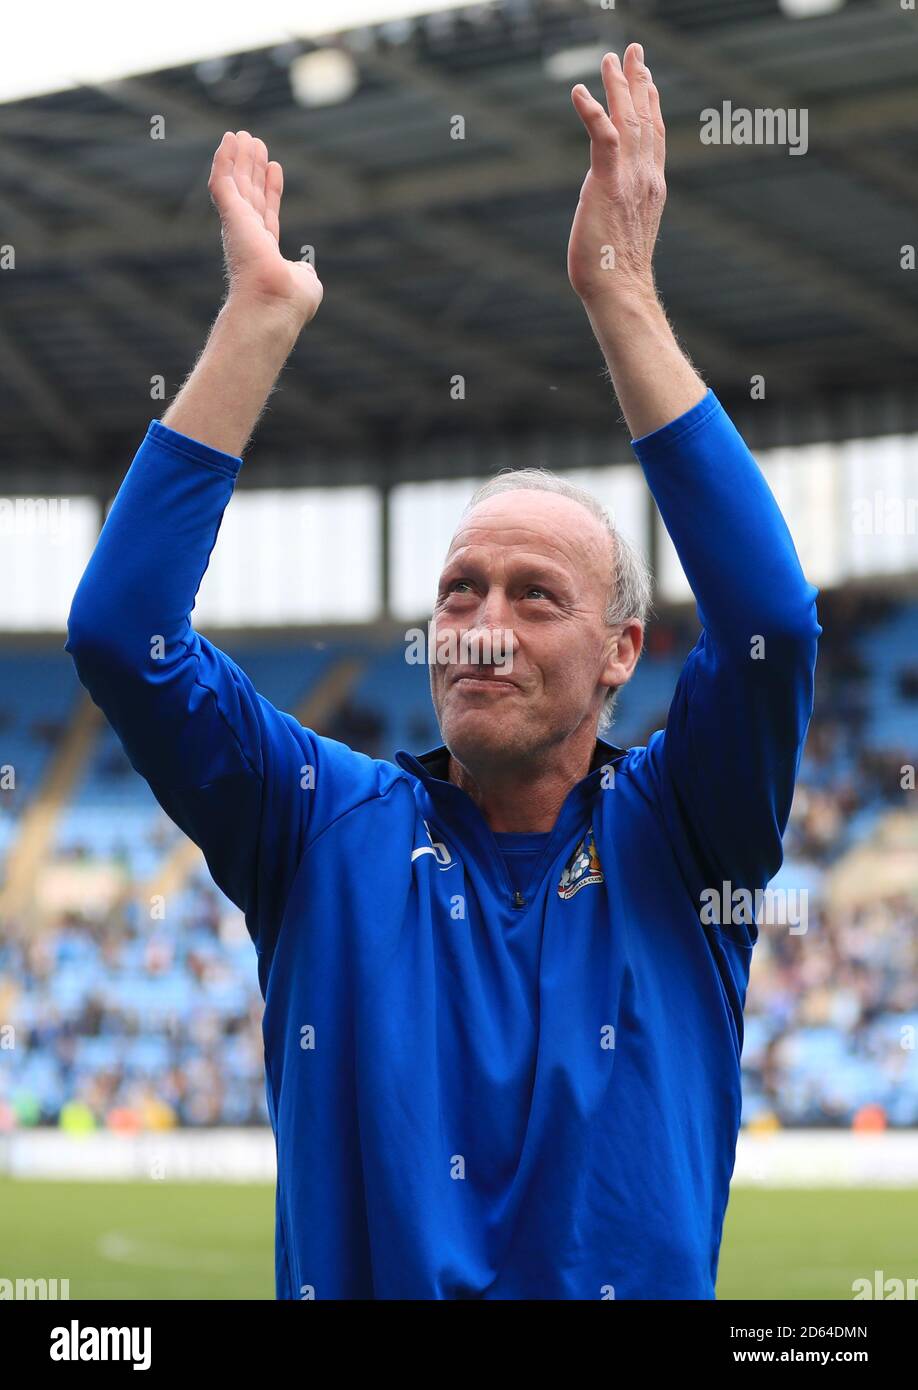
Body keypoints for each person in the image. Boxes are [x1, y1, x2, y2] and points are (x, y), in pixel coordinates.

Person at [66, 44, 820, 1298]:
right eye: (460, 590)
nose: (482, 623)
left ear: (624, 652)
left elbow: (772, 625)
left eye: (537, 597)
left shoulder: (689, 834)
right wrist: (256, 323)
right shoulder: (315, 825)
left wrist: (621, 290)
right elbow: (120, 630)